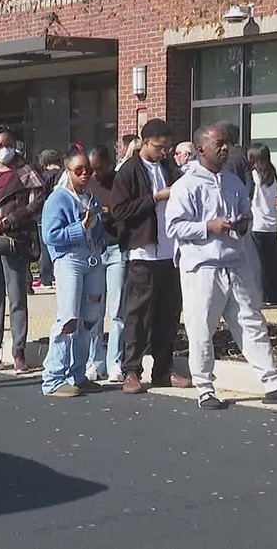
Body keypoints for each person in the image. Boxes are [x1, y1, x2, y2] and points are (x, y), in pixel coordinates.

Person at [167, 125, 277, 410]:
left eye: (227, 144)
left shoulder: (233, 182)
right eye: (219, 144)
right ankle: (205, 388)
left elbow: (247, 215)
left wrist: (242, 224)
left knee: (251, 322)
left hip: (235, 263)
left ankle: (273, 384)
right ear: (201, 150)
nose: (225, 149)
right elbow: (174, 226)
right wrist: (208, 226)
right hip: (202, 267)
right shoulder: (186, 185)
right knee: (201, 329)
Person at [110, 118, 193, 394]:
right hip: (142, 252)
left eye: (167, 147)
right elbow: (119, 210)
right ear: (145, 143)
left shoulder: (169, 168)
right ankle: (131, 370)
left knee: (168, 314)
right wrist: (155, 198)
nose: (164, 152)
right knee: (137, 314)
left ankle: (163, 369)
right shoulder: (130, 171)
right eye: (159, 147)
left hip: (170, 253)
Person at [0, 124, 45, 375]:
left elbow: (37, 201)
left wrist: (10, 220)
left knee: (17, 297)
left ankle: (19, 351)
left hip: (15, 239)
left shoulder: (26, 171)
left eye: (8, 144)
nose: (4, 149)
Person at [41, 148, 107, 397]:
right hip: (69, 260)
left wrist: (99, 240)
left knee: (89, 318)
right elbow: (50, 235)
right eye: (79, 170)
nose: (85, 174)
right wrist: (80, 228)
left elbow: (99, 229)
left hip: (91, 259)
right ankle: (53, 378)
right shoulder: (57, 199)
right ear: (68, 171)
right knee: (69, 318)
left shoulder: (91, 198)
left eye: (88, 170)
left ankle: (77, 374)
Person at [86, 144, 127, 383]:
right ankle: (94, 361)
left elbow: (126, 210)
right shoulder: (87, 185)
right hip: (95, 249)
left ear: (110, 164)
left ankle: (115, 362)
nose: (93, 174)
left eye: (99, 169)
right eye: (90, 170)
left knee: (117, 309)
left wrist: (109, 211)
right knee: (94, 310)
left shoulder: (119, 183)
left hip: (115, 248)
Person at [247, 143, 277, 305]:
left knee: (258, 263)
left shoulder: (253, 175)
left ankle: (262, 295)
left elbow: (250, 197)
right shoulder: (272, 174)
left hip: (257, 223)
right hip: (271, 223)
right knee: (272, 262)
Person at [34, 149, 65, 290]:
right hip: (62, 215)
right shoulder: (64, 174)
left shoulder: (43, 177)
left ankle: (46, 277)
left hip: (44, 215)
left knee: (45, 247)